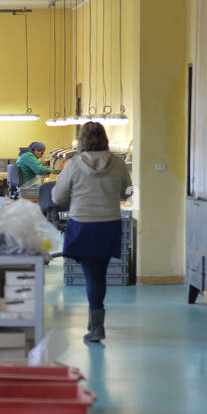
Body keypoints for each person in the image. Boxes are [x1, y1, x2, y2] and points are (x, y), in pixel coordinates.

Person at [51, 122, 133, 343]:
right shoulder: (118, 163)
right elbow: (128, 191)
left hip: (83, 224)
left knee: (92, 276)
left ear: (82, 141)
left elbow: (57, 198)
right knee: (98, 274)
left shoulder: (74, 164)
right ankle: (95, 320)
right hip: (109, 224)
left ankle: (97, 324)